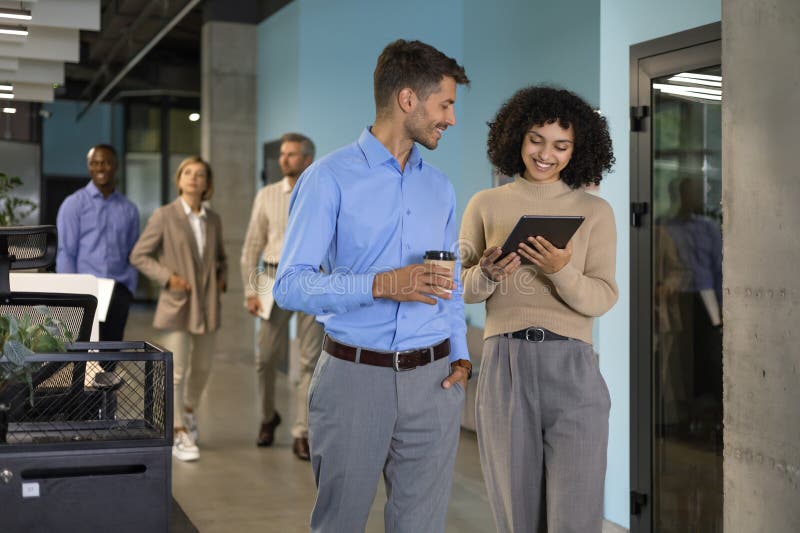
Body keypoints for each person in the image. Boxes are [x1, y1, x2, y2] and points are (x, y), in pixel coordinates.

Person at [273, 39, 471, 532]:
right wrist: (382, 284)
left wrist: (461, 355)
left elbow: (451, 283)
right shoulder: (327, 180)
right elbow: (290, 286)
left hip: (434, 381)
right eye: (444, 104)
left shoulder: (440, 187)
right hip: (353, 381)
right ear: (409, 100)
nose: (450, 118)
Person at [459, 86, 617, 532]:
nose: (546, 154)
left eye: (561, 145)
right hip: (505, 366)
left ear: (577, 150)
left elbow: (603, 296)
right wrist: (488, 274)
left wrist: (561, 271)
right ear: (516, 138)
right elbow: (459, 287)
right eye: (536, 140)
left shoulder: (596, 211)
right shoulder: (485, 204)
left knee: (576, 515)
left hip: (574, 369)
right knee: (517, 516)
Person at [129, 156, 227, 462]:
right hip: (178, 303)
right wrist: (168, 278)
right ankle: (178, 431)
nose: (193, 178)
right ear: (179, 179)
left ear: (207, 183)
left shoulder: (213, 219)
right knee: (178, 371)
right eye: (188, 173)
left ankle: (188, 409)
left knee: (203, 368)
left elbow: (221, 257)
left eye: (200, 174)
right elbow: (139, 255)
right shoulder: (164, 215)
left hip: (208, 304)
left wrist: (221, 279)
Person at [240, 132, 324, 459]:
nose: (283, 159)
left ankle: (302, 431)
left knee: (309, 361)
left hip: (313, 279)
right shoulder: (267, 195)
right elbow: (251, 247)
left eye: (291, 154)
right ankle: (267, 416)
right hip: (272, 277)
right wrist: (251, 290)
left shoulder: (322, 193)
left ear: (307, 159)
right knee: (265, 358)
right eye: (282, 154)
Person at [56, 144, 139, 343]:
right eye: (95, 163)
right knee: (83, 353)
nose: (100, 168)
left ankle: (108, 375)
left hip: (118, 290)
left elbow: (134, 252)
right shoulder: (73, 204)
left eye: (106, 163)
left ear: (116, 166)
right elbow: (66, 251)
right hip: (86, 291)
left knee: (111, 355)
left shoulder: (129, 209)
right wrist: (71, 293)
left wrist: (129, 289)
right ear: (89, 167)